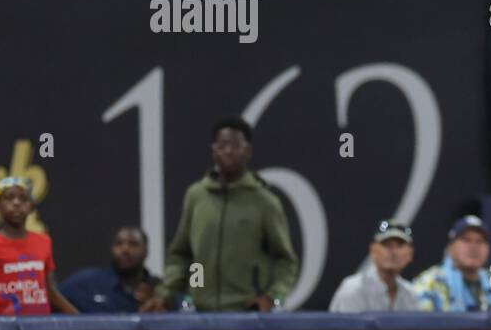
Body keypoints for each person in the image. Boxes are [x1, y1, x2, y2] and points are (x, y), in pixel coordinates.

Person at [142, 117, 299, 313]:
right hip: (198, 313)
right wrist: (165, 295)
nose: (228, 151)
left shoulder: (264, 201)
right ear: (213, 149)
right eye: (222, 144)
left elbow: (286, 261)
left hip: (247, 315)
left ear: (248, 150)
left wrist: (273, 297)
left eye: (236, 145)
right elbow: (181, 254)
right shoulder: (196, 196)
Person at [413, 215, 491, 312]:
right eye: (466, 240)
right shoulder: (430, 282)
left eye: (480, 241)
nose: (473, 247)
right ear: (450, 248)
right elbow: (416, 326)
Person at [0, 176, 77, 315]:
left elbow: (49, 290)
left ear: (31, 206)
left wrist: (79, 319)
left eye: (23, 198)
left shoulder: (44, 241)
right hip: (4, 329)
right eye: (9, 198)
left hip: (39, 328)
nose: (16, 203)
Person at [58, 225, 158, 313]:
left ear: (146, 251)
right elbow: (51, 301)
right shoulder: (86, 282)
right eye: (119, 243)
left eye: (133, 244)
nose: (125, 249)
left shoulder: (159, 290)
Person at [329, 220, 422, 313]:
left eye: (399, 245)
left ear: (410, 253)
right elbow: (347, 327)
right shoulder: (353, 290)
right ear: (373, 250)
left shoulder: (410, 294)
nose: (393, 252)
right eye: (386, 244)